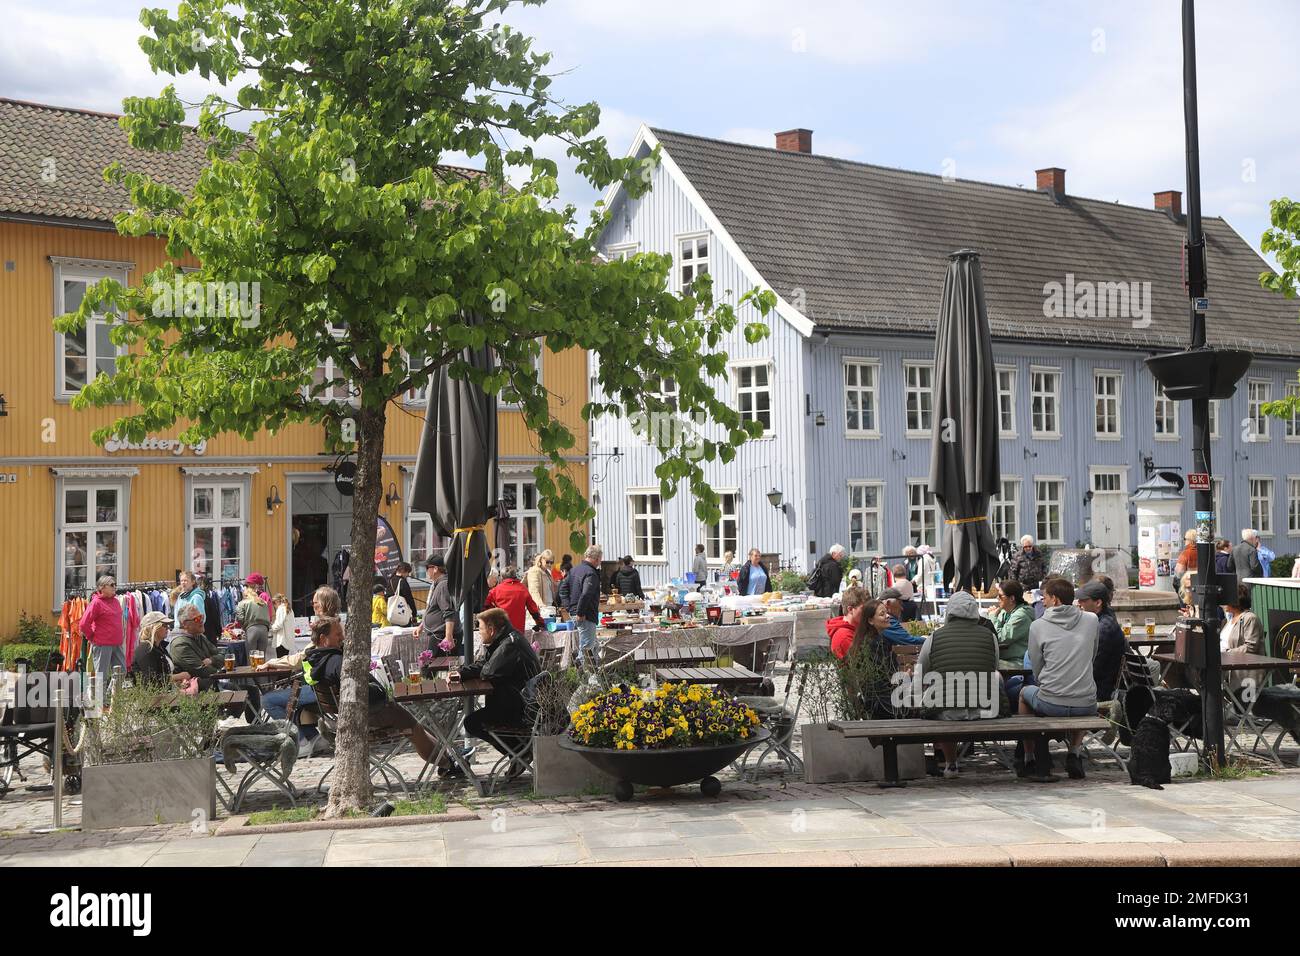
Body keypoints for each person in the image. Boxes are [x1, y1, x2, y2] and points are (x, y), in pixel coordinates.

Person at [301, 615, 442, 764]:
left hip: (356, 715)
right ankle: (446, 763)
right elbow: (355, 695)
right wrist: (380, 692)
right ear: (324, 639)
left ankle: (448, 758)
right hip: (369, 715)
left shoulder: (317, 661)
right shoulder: (337, 662)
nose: (342, 637)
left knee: (417, 726)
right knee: (415, 728)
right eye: (338, 634)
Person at [1019, 577, 1098, 779]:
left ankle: (1029, 757)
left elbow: (1036, 666)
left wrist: (1047, 681)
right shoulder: (1091, 620)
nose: (1042, 601)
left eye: (1044, 597)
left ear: (1054, 599)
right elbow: (1092, 654)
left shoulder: (1037, 626)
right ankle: (1074, 752)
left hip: (1051, 702)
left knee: (1023, 693)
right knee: (1084, 693)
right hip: (1086, 704)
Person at [918, 591, 1003, 778]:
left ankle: (950, 763)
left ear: (949, 612)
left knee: (940, 702)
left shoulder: (935, 637)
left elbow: (921, 672)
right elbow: (994, 667)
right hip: (985, 709)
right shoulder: (990, 636)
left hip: (947, 712)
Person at [461, 607, 543, 754]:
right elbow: (484, 665)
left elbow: (488, 672)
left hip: (521, 709)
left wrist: (470, 672)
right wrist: (460, 673)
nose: (479, 633)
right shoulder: (504, 639)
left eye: (480, 628)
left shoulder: (509, 644)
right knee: (476, 719)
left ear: (491, 629)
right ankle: (519, 752)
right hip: (518, 702)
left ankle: (519, 752)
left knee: (471, 722)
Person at [1075, 579, 1126, 704]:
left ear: (1098, 603)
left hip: (1098, 692)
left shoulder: (1103, 628)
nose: (1079, 603)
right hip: (1093, 687)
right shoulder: (1100, 620)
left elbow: (1093, 668)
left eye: (1083, 600)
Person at [844, 598, 896, 719]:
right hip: (885, 705)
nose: (888, 616)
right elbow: (887, 677)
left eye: (887, 612)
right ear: (871, 621)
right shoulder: (877, 644)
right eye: (882, 614)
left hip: (875, 702)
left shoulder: (865, 640)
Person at [169, 602, 229, 692]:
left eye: (202, 617)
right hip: (197, 692)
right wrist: (219, 669)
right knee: (245, 693)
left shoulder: (199, 636)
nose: (201, 621)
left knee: (250, 691)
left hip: (210, 685)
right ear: (185, 624)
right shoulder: (180, 644)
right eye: (197, 619)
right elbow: (201, 671)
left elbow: (225, 655)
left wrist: (211, 660)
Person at [1221, 582, 1265, 694]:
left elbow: (1251, 647)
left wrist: (1228, 653)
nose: (1222, 601)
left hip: (1245, 674)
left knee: (1244, 709)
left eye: (1225, 598)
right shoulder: (1228, 620)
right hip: (1227, 668)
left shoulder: (1250, 618)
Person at [80, 575, 126, 677]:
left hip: (117, 644)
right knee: (102, 676)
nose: (115, 587)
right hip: (103, 644)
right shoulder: (96, 603)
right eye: (112, 585)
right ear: (102, 587)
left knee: (122, 672)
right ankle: (100, 693)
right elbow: (84, 623)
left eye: (115, 584)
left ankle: (112, 693)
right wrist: (91, 637)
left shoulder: (116, 601)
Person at [566, 545, 603, 666]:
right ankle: (585, 680)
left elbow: (562, 589)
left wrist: (569, 607)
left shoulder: (574, 570)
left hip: (575, 613)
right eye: (600, 559)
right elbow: (586, 594)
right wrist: (580, 612)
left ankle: (593, 673)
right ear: (596, 558)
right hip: (585, 615)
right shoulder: (591, 573)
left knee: (591, 646)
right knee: (587, 649)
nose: (600, 562)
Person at [130, 611, 190, 686]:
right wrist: (178, 676)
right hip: (152, 696)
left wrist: (179, 682)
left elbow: (165, 673)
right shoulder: (146, 649)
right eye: (164, 625)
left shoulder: (160, 647)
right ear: (154, 628)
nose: (168, 628)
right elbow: (151, 680)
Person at [418, 556, 461, 654]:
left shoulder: (443, 585)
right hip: (439, 634)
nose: (426, 571)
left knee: (432, 666)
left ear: (435, 569)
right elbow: (433, 608)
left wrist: (448, 636)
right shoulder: (439, 584)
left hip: (442, 635)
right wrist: (422, 625)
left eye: (427, 568)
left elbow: (449, 612)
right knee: (431, 665)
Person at [484, 566, 545, 633]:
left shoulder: (495, 590)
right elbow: (533, 610)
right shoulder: (522, 589)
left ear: (501, 577)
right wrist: (540, 623)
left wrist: (494, 612)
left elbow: (485, 605)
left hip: (501, 630)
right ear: (515, 576)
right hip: (518, 631)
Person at [991, 579, 1033, 668]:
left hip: (1017, 662)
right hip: (1004, 659)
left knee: (986, 667)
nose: (997, 598)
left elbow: (999, 638)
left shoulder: (1021, 617)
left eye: (1000, 596)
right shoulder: (1004, 612)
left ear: (1012, 598)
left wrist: (992, 617)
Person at [827, 586, 868, 660]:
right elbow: (864, 664)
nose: (868, 612)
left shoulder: (854, 629)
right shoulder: (844, 636)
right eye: (864, 608)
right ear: (850, 609)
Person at [235, 578, 272, 660]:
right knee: (262, 658)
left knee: (251, 659)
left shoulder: (243, 603)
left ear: (246, 594)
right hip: (264, 630)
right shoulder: (263, 602)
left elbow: (240, 618)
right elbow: (269, 615)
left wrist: (244, 626)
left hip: (251, 629)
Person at [270, 593, 293, 658]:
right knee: (285, 661)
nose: (274, 606)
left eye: (274, 603)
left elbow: (279, 625)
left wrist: (271, 628)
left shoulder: (281, 609)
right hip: (287, 639)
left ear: (277, 601)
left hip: (282, 640)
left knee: (280, 662)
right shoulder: (289, 609)